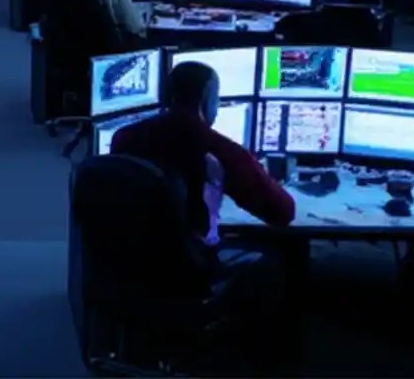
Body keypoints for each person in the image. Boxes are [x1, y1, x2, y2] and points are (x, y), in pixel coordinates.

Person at [109, 62, 294, 370]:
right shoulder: (218, 149)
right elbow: (282, 212)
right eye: (217, 99)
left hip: (128, 261)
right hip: (187, 270)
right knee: (278, 256)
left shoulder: (123, 138)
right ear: (207, 99)